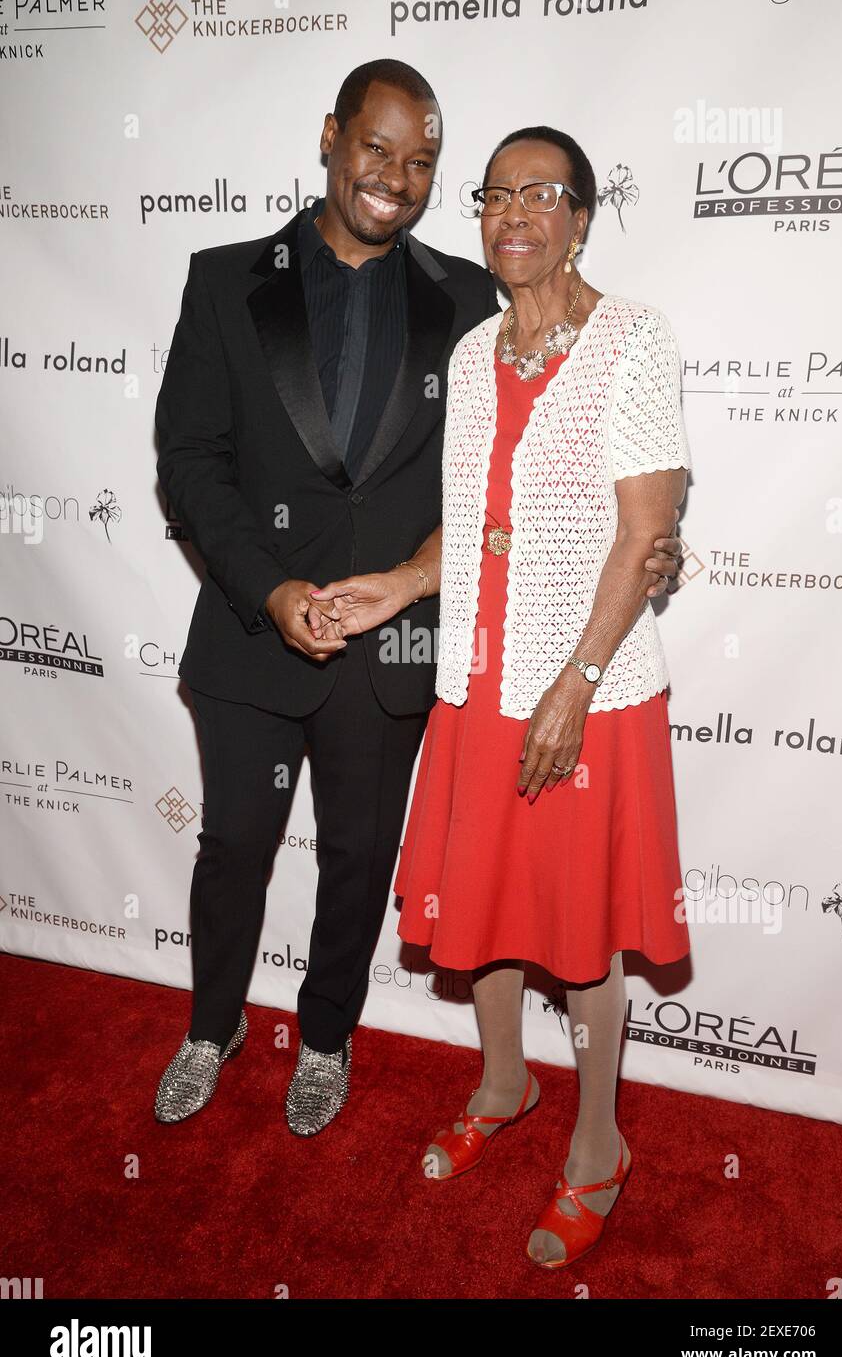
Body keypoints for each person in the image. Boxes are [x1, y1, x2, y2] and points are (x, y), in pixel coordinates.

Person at [154, 63, 683, 1137]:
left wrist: (651, 549)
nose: (395, 177)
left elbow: (528, 475)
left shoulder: (463, 298)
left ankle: (328, 1038)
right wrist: (269, 585)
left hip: (395, 651)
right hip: (255, 630)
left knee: (358, 859)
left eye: (422, 163)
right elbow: (189, 461)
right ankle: (210, 1025)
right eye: (376, 149)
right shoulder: (220, 279)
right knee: (233, 846)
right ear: (330, 138)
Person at [313, 127, 690, 1267]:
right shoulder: (475, 351)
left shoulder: (632, 342)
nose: (512, 212)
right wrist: (400, 584)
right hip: (477, 681)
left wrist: (572, 687)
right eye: (494, 194)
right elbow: (477, 524)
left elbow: (643, 538)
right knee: (478, 912)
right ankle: (503, 1080)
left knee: (579, 935)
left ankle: (595, 1142)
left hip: (587, 688)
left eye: (542, 193)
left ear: (582, 215)